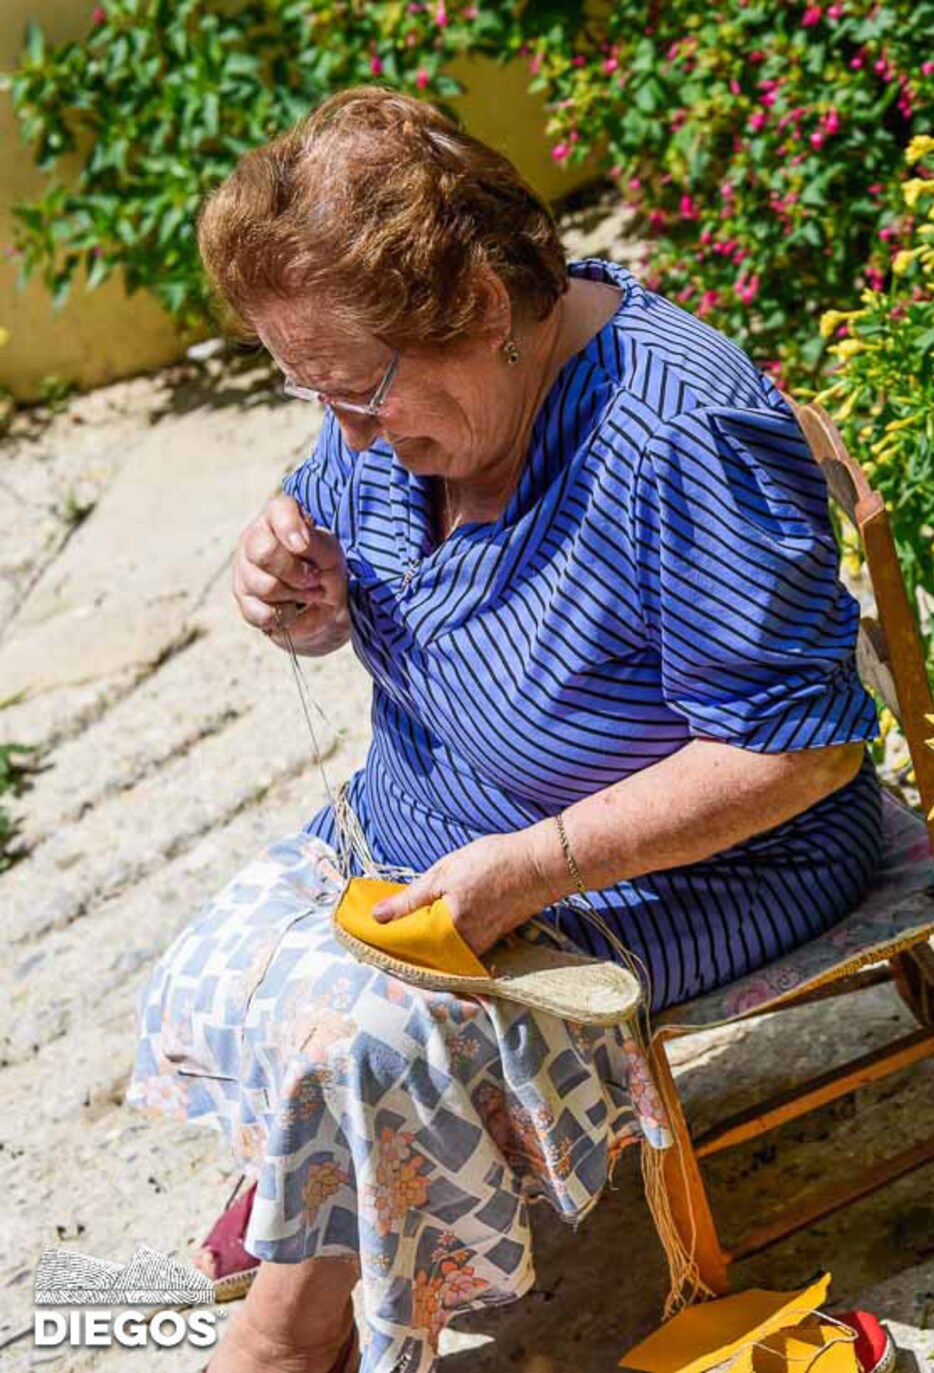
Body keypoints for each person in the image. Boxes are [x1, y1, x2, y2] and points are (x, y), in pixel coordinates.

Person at [126, 86, 890, 1373]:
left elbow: (798, 748)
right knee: (222, 961)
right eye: (314, 394)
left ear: (483, 308)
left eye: (362, 394)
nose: (348, 434)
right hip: (433, 828)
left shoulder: (677, 429)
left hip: (686, 865)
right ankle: (331, 1192)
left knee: (366, 1040)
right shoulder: (397, 403)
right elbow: (354, 561)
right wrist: (295, 588)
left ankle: (286, 1327)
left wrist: (533, 864)